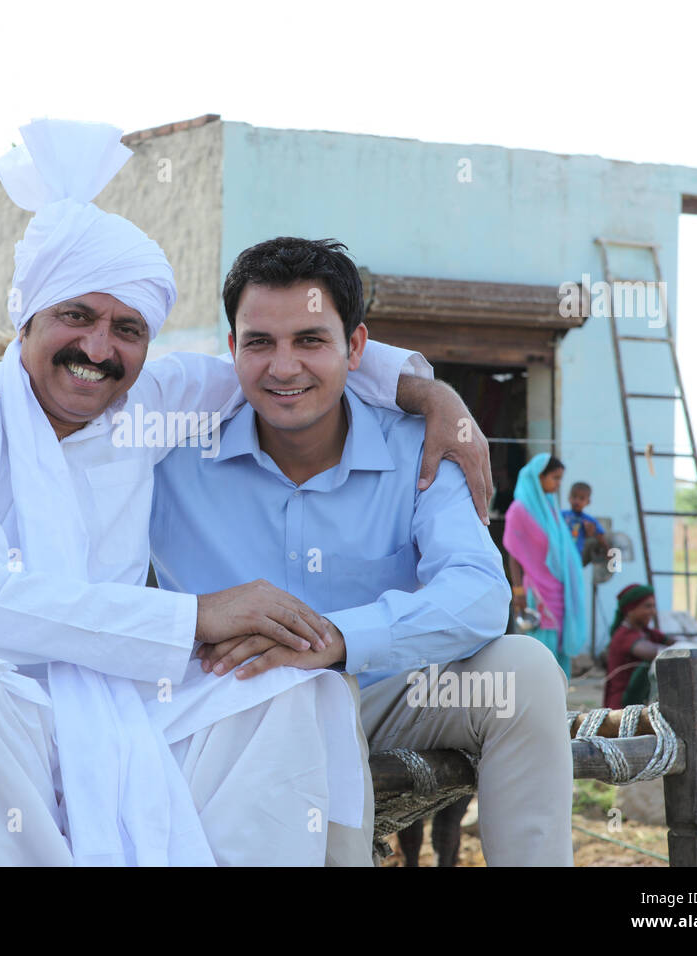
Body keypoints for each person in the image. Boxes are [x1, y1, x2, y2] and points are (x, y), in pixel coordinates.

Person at [0, 120, 483, 866]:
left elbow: (287, 364)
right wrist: (194, 617)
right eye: (76, 316)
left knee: (292, 690)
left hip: (114, 695)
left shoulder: (152, 399)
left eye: (128, 328)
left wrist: (432, 394)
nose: (100, 348)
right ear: (26, 321)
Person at [147, 237, 573, 866]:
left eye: (311, 340)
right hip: (232, 703)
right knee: (300, 698)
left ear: (356, 348)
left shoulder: (421, 450)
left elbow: (481, 594)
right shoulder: (165, 456)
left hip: (388, 690)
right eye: (260, 342)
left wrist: (339, 638)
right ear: (232, 349)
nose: (284, 367)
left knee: (526, 671)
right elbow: (54, 394)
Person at [503, 454, 586, 676]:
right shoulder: (519, 510)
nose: (558, 484)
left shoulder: (551, 508)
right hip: (537, 591)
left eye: (560, 479)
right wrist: (518, 591)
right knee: (540, 651)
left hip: (559, 589)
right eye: (555, 478)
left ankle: (560, 703)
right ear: (538, 477)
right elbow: (514, 554)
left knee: (560, 649)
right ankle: (539, 701)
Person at [603, 583, 673, 708]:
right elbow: (657, 653)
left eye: (653, 606)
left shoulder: (646, 632)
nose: (653, 611)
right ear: (630, 610)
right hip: (621, 709)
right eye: (647, 606)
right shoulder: (624, 636)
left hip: (638, 705)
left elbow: (674, 643)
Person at [563, 481, 610, 561]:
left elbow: (600, 536)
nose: (577, 501)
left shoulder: (589, 520)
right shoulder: (562, 515)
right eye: (574, 497)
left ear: (588, 502)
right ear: (569, 498)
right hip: (561, 551)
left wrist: (607, 551)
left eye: (581, 498)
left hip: (576, 554)